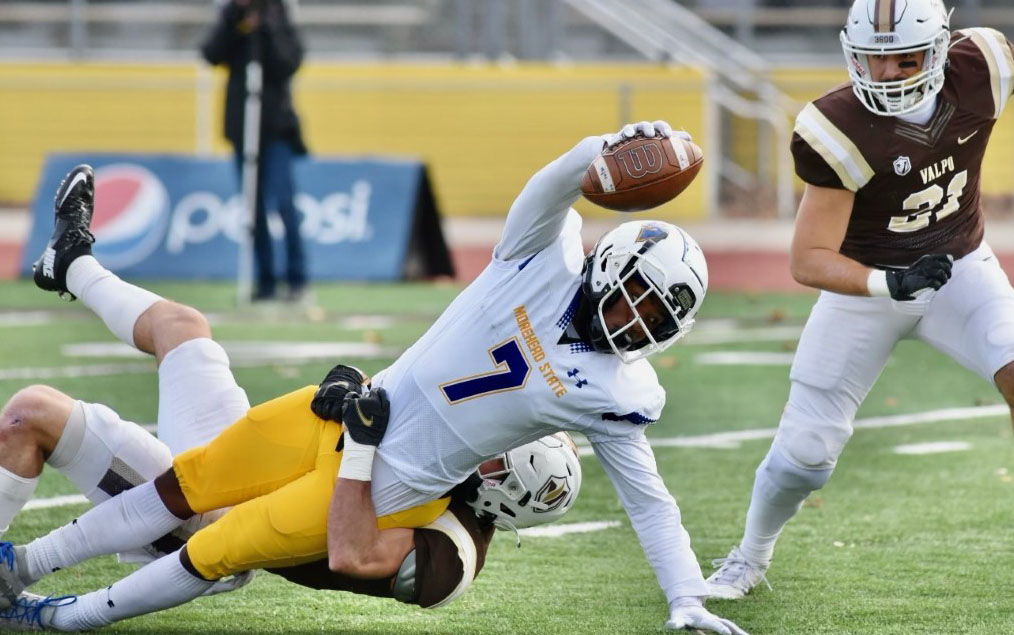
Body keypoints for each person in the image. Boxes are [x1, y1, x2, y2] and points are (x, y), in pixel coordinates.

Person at [15, 118, 746, 634]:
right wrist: (607, 148)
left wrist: (684, 594)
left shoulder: (462, 540)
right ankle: (23, 562)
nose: (637, 319)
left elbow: (650, 502)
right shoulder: (540, 257)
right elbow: (557, 182)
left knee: (212, 538)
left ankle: (53, 612)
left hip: (370, 469)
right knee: (187, 472)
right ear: (607, 264)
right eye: (638, 294)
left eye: (657, 315)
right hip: (354, 420)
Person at [3, 164, 582, 630]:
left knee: (31, 413)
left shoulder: (450, 555)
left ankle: (24, 584)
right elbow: (391, 402)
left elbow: (350, 552)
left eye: (502, 466)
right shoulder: (456, 440)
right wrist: (349, 385)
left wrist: (359, 446)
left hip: (219, 526)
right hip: (247, 469)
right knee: (182, 326)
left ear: (505, 502)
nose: (493, 449)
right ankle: (71, 263)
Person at [706, 0, 1014, 599]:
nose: (885, 76)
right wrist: (886, 284)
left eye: (903, 60)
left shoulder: (977, 67)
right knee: (805, 456)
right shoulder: (836, 127)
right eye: (872, 61)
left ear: (938, 50)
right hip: (866, 285)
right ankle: (748, 558)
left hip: (961, 267)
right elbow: (808, 259)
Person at [202, 0, 309, 302]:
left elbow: (289, 63)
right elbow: (211, 54)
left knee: (284, 202)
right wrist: (236, 21)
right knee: (253, 208)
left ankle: (297, 279)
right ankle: (265, 281)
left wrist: (266, 30)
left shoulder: (278, 13)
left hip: (276, 128)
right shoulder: (232, 16)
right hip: (243, 129)